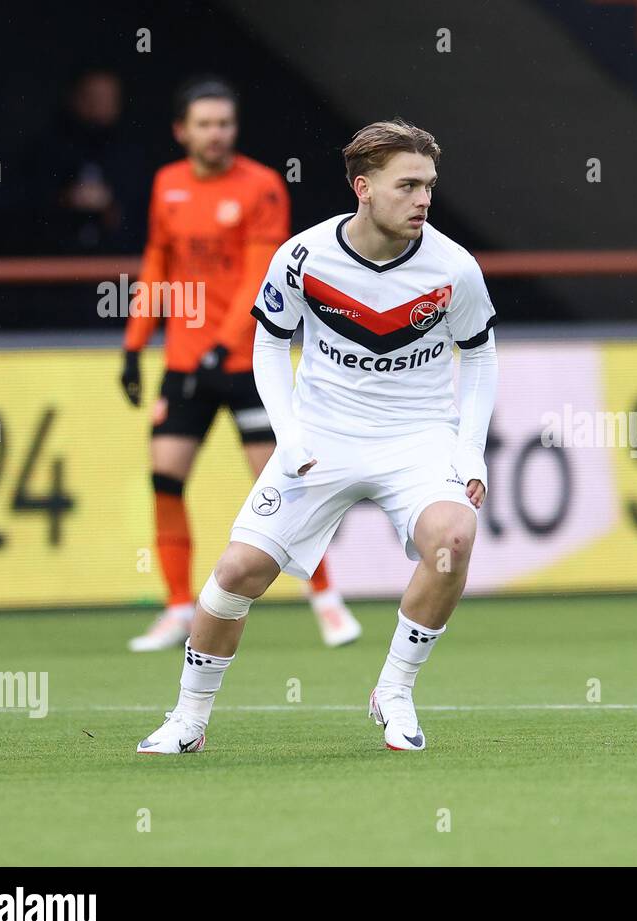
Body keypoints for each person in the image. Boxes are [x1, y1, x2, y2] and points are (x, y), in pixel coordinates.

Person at [136, 118, 498, 754]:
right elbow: (270, 344)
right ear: (363, 187)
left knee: (455, 536)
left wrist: (469, 449)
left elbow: (481, 356)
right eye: (408, 185)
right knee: (236, 573)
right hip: (323, 438)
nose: (423, 200)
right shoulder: (304, 256)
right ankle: (188, 720)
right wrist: (291, 435)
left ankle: (395, 689)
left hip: (417, 440)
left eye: (429, 186)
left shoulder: (455, 268)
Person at [121, 77, 361, 652]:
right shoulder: (167, 185)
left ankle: (326, 600)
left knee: (281, 482)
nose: (215, 134)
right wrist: (134, 344)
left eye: (224, 123)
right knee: (165, 479)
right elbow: (157, 263)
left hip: (248, 361)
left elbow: (263, 276)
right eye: (204, 124)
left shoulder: (261, 187)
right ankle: (178, 606)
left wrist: (219, 345)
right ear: (182, 130)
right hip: (183, 364)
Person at [35, 67, 148, 253]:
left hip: (118, 262)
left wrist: (111, 205)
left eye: (107, 99)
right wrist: (66, 199)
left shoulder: (131, 153)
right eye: (92, 98)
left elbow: (140, 215)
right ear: (75, 99)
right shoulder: (48, 149)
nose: (98, 107)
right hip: (59, 259)